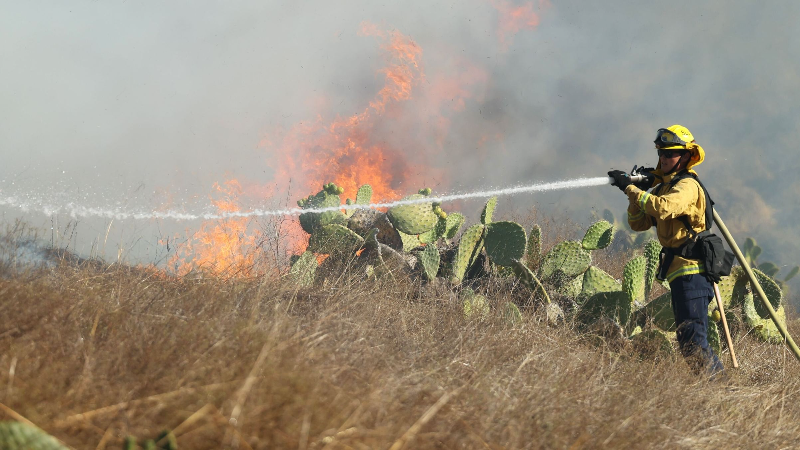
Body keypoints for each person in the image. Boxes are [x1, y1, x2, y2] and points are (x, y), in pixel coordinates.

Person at [608, 125, 724, 377]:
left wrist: (631, 188)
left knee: (693, 340)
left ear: (685, 156)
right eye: (660, 153)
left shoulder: (687, 187)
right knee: (687, 340)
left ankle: (721, 388)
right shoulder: (664, 187)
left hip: (693, 272)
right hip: (678, 274)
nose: (663, 158)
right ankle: (714, 387)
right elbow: (638, 223)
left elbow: (664, 208)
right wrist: (631, 195)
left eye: (669, 153)